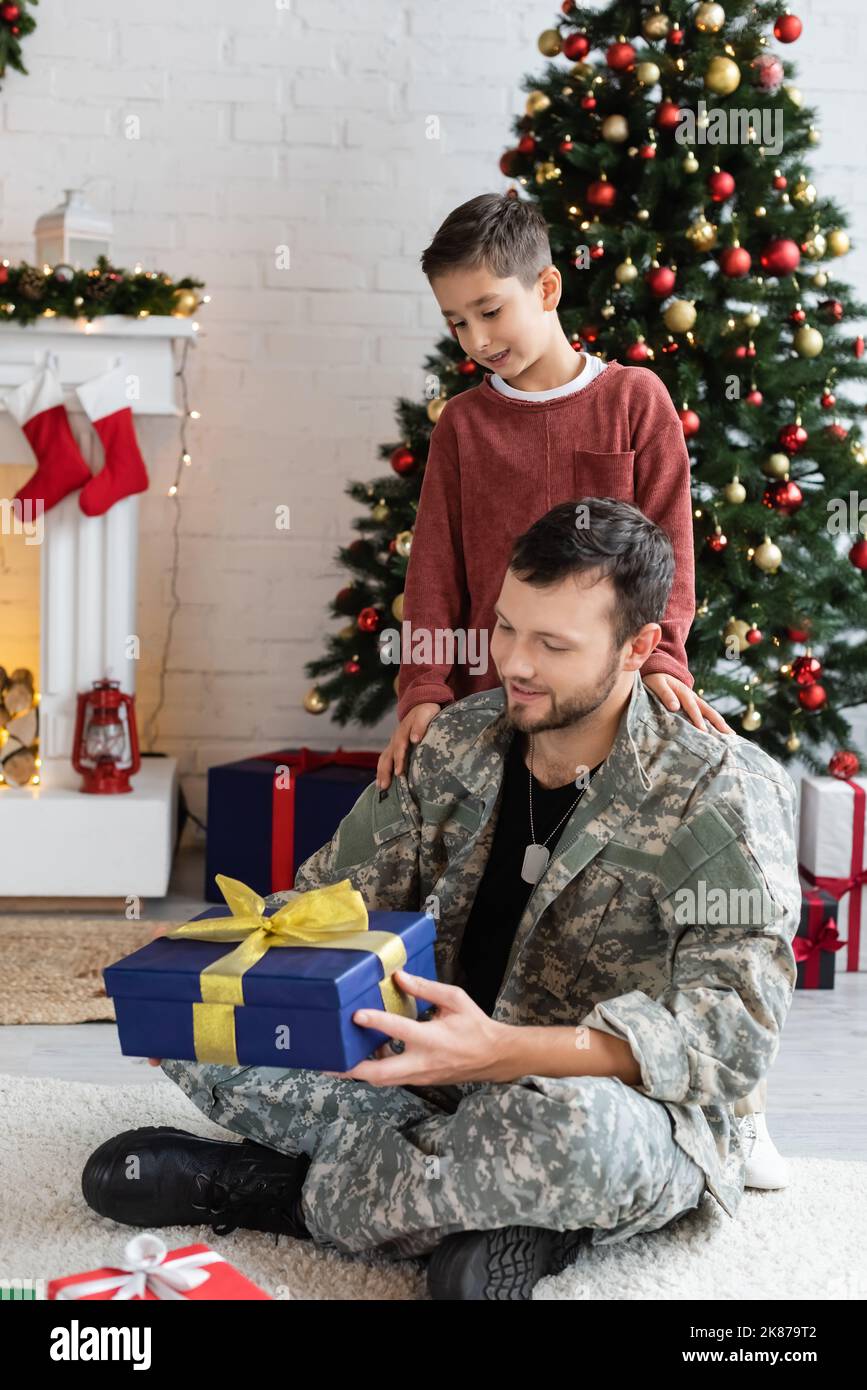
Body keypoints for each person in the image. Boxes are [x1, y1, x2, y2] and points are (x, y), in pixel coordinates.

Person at [82, 499, 801, 1301]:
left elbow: (731, 1036)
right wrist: (196, 976)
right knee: (204, 1023)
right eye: (505, 629)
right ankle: (496, 1207)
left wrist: (500, 1051)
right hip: (420, 1068)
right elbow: (327, 900)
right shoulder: (459, 740)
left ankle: (278, 1194)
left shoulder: (722, 791)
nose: (513, 664)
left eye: (552, 645)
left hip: (592, 1099)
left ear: (637, 648)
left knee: (579, 1141)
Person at [376, 190, 732, 801]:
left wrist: (662, 659)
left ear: (546, 289)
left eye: (490, 311)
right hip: (487, 708)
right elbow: (433, 567)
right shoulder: (462, 424)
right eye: (458, 322)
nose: (477, 340)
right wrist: (425, 686)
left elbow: (669, 549)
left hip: (608, 708)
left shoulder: (635, 401)